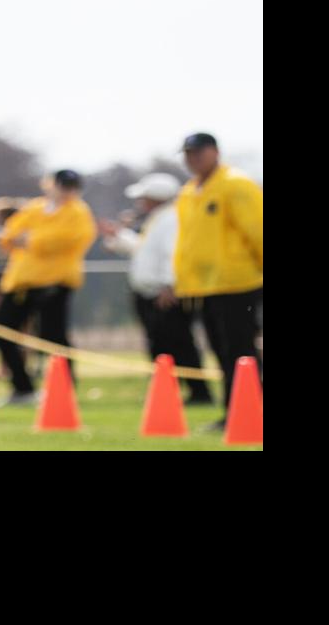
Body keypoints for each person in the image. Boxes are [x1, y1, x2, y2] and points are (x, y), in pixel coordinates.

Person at [173, 133, 263, 430]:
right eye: (188, 154)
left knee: (240, 352)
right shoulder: (190, 191)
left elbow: (257, 230)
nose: (193, 159)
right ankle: (237, 412)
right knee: (224, 352)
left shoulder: (235, 184)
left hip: (237, 282)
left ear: (215, 152)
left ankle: (245, 413)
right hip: (205, 286)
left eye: (198, 152)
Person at [99, 172, 212, 406]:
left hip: (163, 294)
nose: (140, 202)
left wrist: (168, 286)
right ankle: (168, 391)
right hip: (152, 293)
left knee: (177, 343)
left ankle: (197, 393)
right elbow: (144, 251)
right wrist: (119, 236)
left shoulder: (171, 219)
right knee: (161, 343)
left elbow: (173, 255)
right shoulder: (159, 219)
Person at [0, 170, 97, 405]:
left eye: (70, 186)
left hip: (55, 283)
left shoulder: (78, 212)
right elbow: (9, 234)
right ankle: (23, 388)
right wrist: (33, 239)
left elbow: (69, 239)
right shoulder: (35, 207)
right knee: (2, 331)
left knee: (54, 337)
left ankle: (63, 391)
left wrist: (32, 240)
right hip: (21, 282)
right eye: (61, 184)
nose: (65, 190)